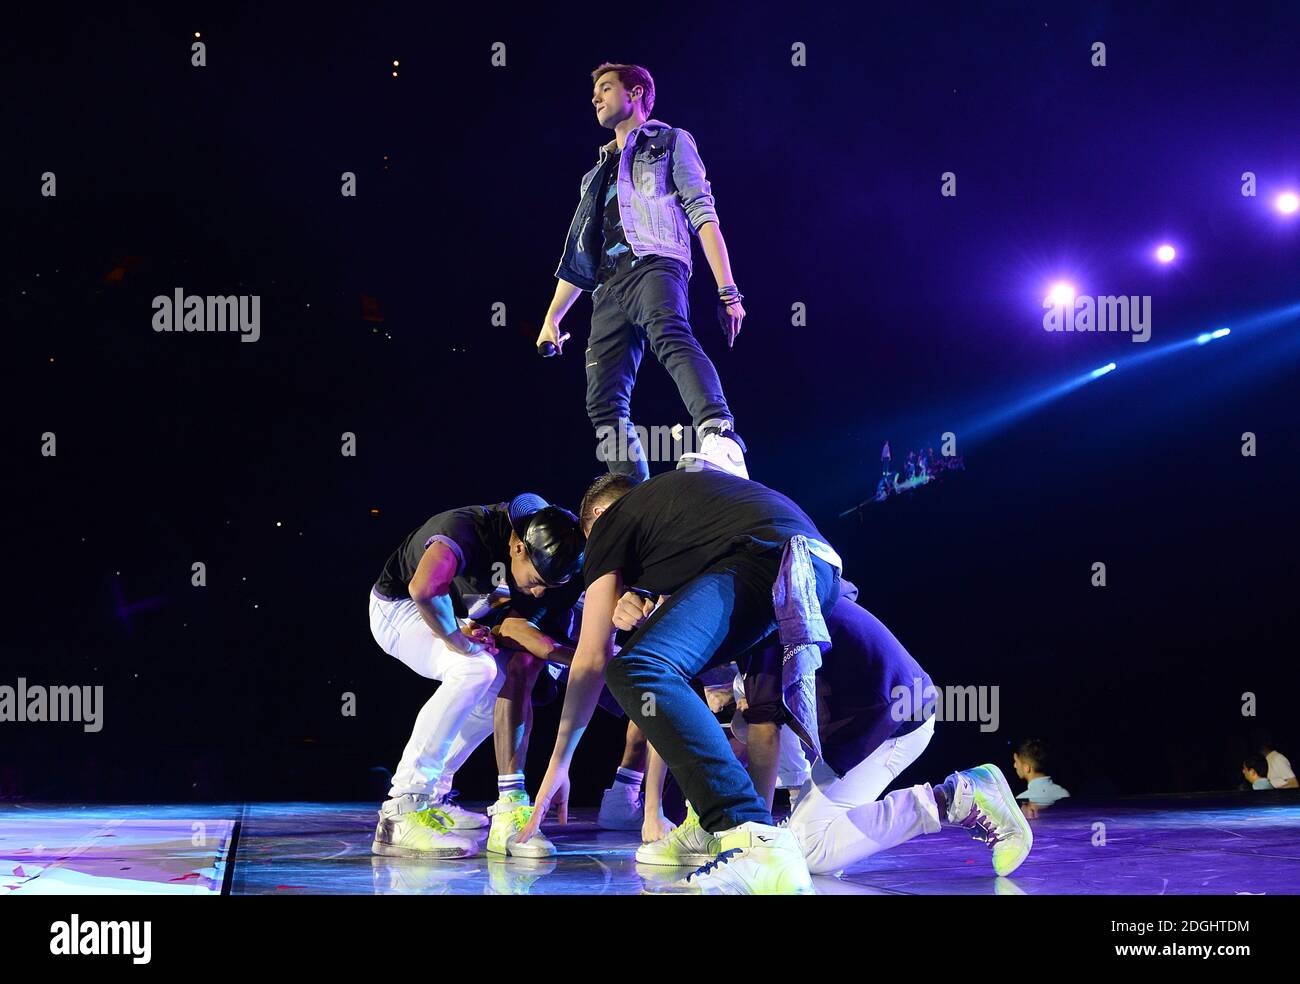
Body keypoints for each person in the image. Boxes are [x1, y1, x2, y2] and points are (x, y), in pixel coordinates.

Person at [518, 469, 1031, 894]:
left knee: (803, 850)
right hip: (839, 658)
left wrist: (748, 834)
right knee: (660, 672)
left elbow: (596, 664)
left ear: (600, 524)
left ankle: (953, 799)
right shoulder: (717, 555)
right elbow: (722, 722)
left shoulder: (647, 538)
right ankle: (741, 829)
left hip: (890, 715)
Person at [623, 577, 1034, 881]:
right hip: (862, 726)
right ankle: (779, 822)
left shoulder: (765, 623)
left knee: (808, 849)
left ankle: (958, 797)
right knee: (749, 725)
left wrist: (755, 842)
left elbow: (767, 734)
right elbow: (755, 728)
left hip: (893, 723)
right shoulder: (767, 594)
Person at [537, 62, 748, 480]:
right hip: (607, 288)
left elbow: (703, 213)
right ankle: (631, 494)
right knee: (602, 400)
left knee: (668, 333)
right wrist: (552, 319)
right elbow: (580, 253)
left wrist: (728, 291)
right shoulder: (593, 176)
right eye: (595, 91)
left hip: (654, 263)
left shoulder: (669, 141)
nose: (595, 97)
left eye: (606, 87)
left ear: (635, 93)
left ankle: (720, 437)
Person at [368, 494, 584, 859]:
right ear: (517, 547)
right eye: (535, 581)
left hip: (452, 617)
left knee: (500, 688)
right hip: (398, 610)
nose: (536, 593)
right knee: (475, 667)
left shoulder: (544, 552)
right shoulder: (465, 528)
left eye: (548, 587)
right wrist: (456, 637)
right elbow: (423, 589)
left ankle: (434, 792)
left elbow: (520, 628)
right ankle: (403, 808)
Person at [1012, 738, 1071, 814]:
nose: (1014, 766)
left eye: (1016, 762)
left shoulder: (1022, 799)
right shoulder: (1064, 793)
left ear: (1026, 768)